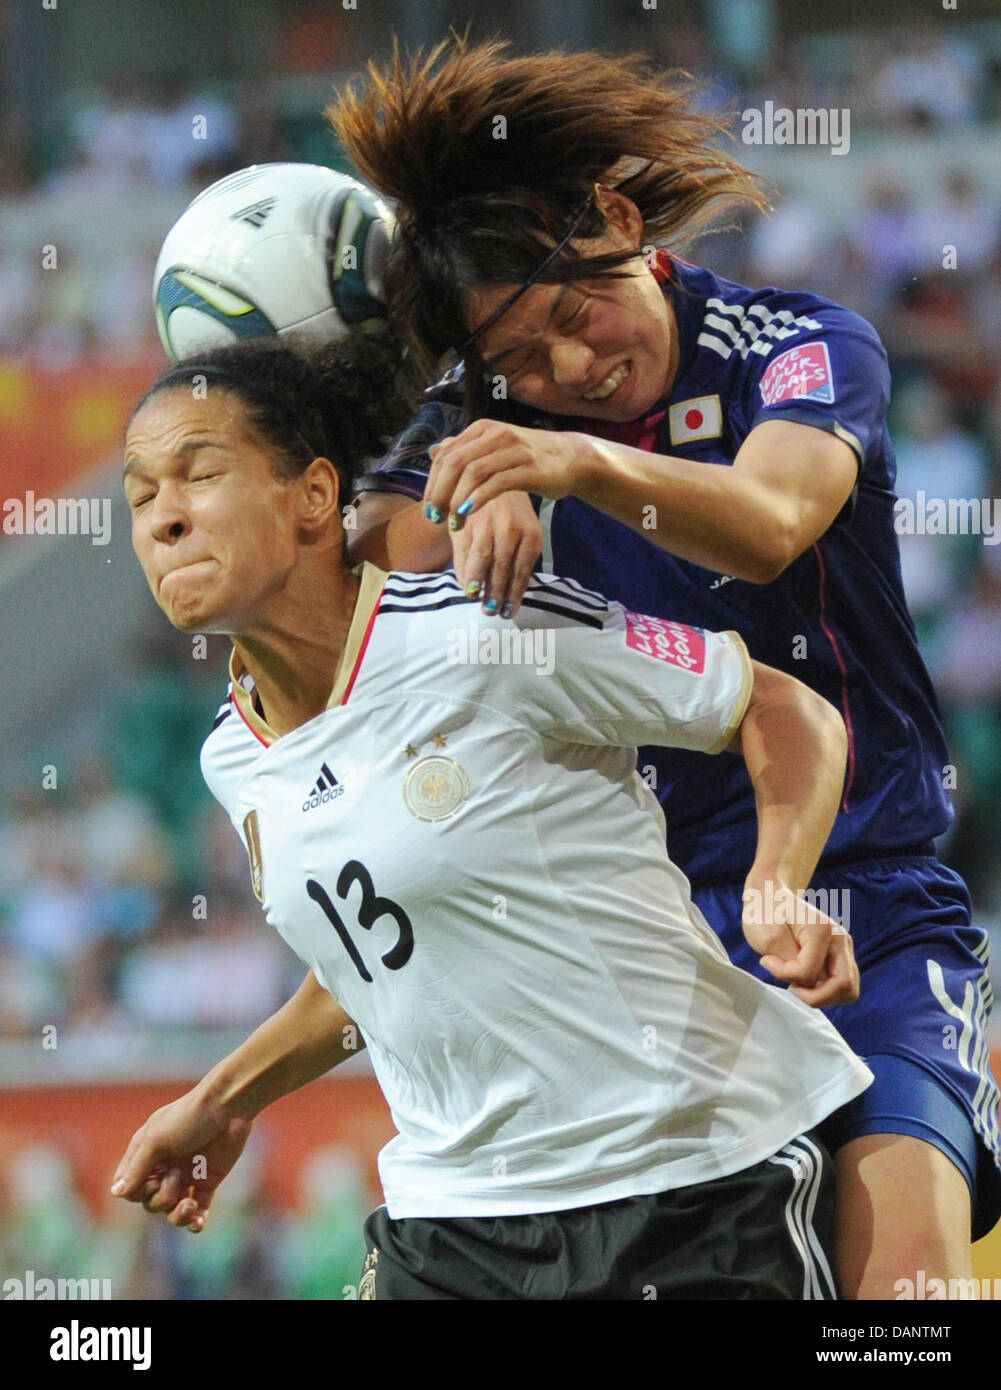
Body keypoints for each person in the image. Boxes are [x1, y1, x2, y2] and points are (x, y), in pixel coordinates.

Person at [327, 38, 1001, 1297]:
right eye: (520, 363)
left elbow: (767, 522)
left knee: (905, 1291)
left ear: (618, 219)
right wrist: (452, 490)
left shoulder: (794, 341)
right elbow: (344, 590)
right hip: (629, 959)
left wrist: (570, 466)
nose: (567, 372)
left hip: (865, 908)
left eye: (571, 318)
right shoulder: (478, 424)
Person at [110, 330, 871, 1300]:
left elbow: (779, 707)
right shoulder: (230, 752)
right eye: (140, 497)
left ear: (311, 495)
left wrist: (773, 887)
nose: (163, 519)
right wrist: (221, 1101)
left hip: (683, 1177)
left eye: (197, 474)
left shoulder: (482, 634)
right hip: (452, 1216)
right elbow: (380, 961)